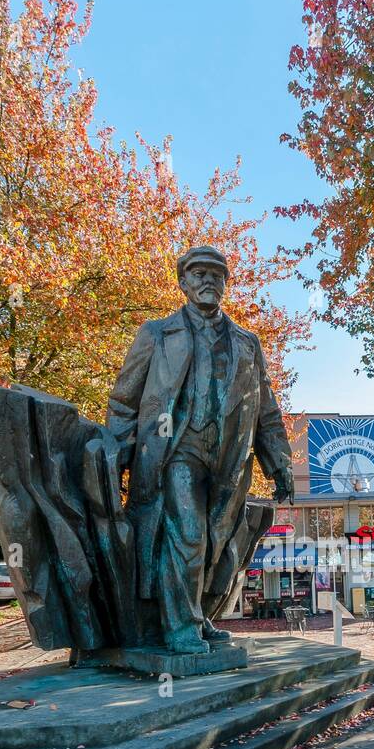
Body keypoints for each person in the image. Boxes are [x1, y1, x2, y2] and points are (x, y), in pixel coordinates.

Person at [106, 245, 295, 655]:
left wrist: (279, 462)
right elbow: (124, 400)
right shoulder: (156, 334)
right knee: (187, 534)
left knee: (215, 540)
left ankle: (196, 615)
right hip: (176, 448)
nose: (208, 280)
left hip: (229, 457)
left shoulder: (247, 342)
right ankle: (178, 626)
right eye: (199, 273)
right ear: (183, 282)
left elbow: (265, 408)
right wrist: (116, 453)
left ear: (226, 283)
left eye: (216, 274)